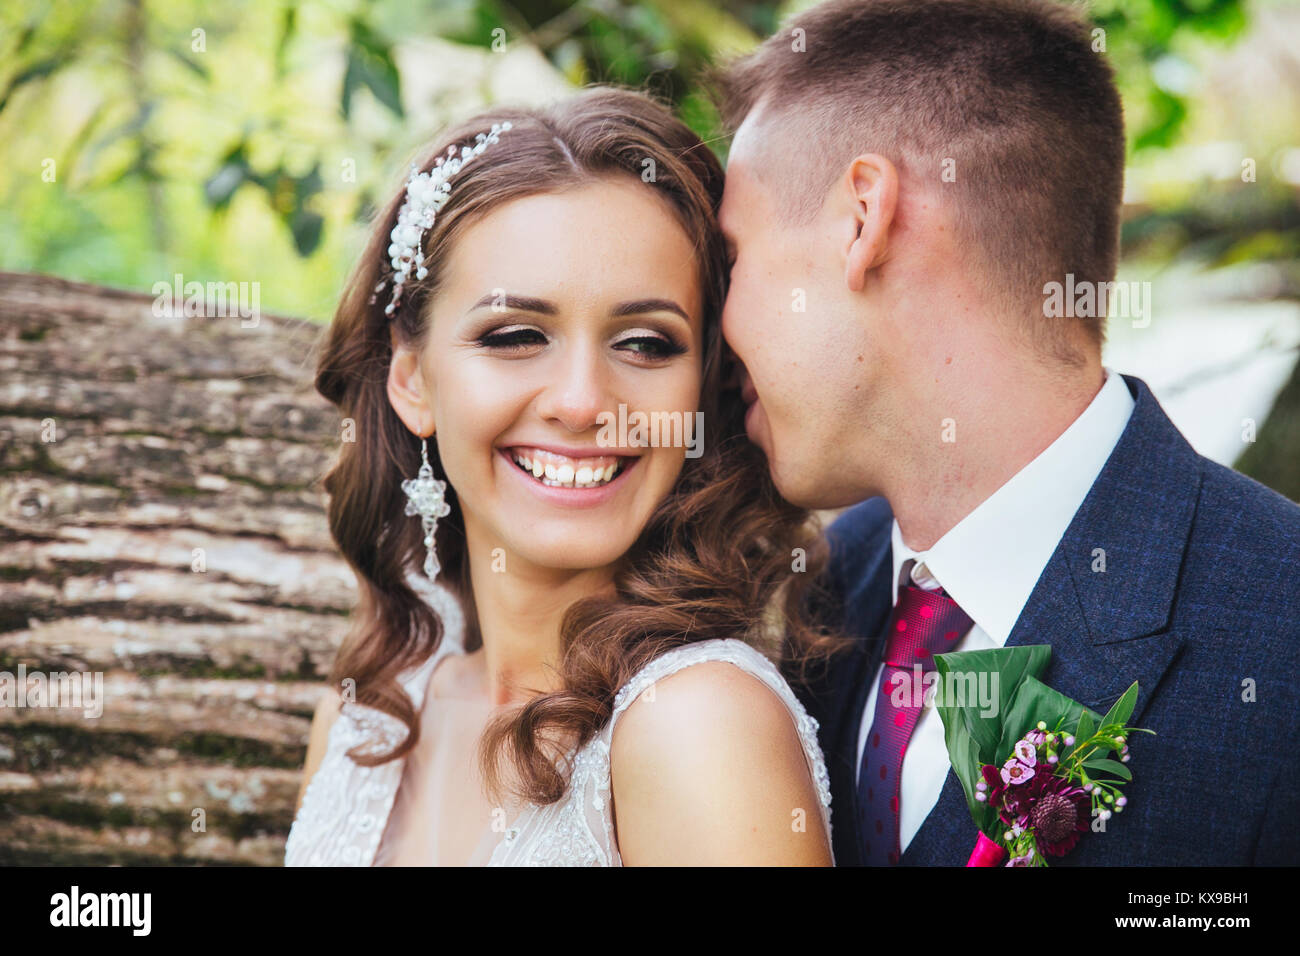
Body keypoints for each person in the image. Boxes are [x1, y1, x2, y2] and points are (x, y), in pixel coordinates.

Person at [714, 0, 1300, 865]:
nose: (711, 327)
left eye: (733, 261)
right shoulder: (840, 582)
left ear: (862, 218)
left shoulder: (1279, 630)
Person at [285, 87, 837, 866]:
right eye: (515, 335)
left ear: (703, 385)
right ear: (410, 378)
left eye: (646, 344)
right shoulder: (360, 727)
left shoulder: (699, 726)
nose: (582, 403)